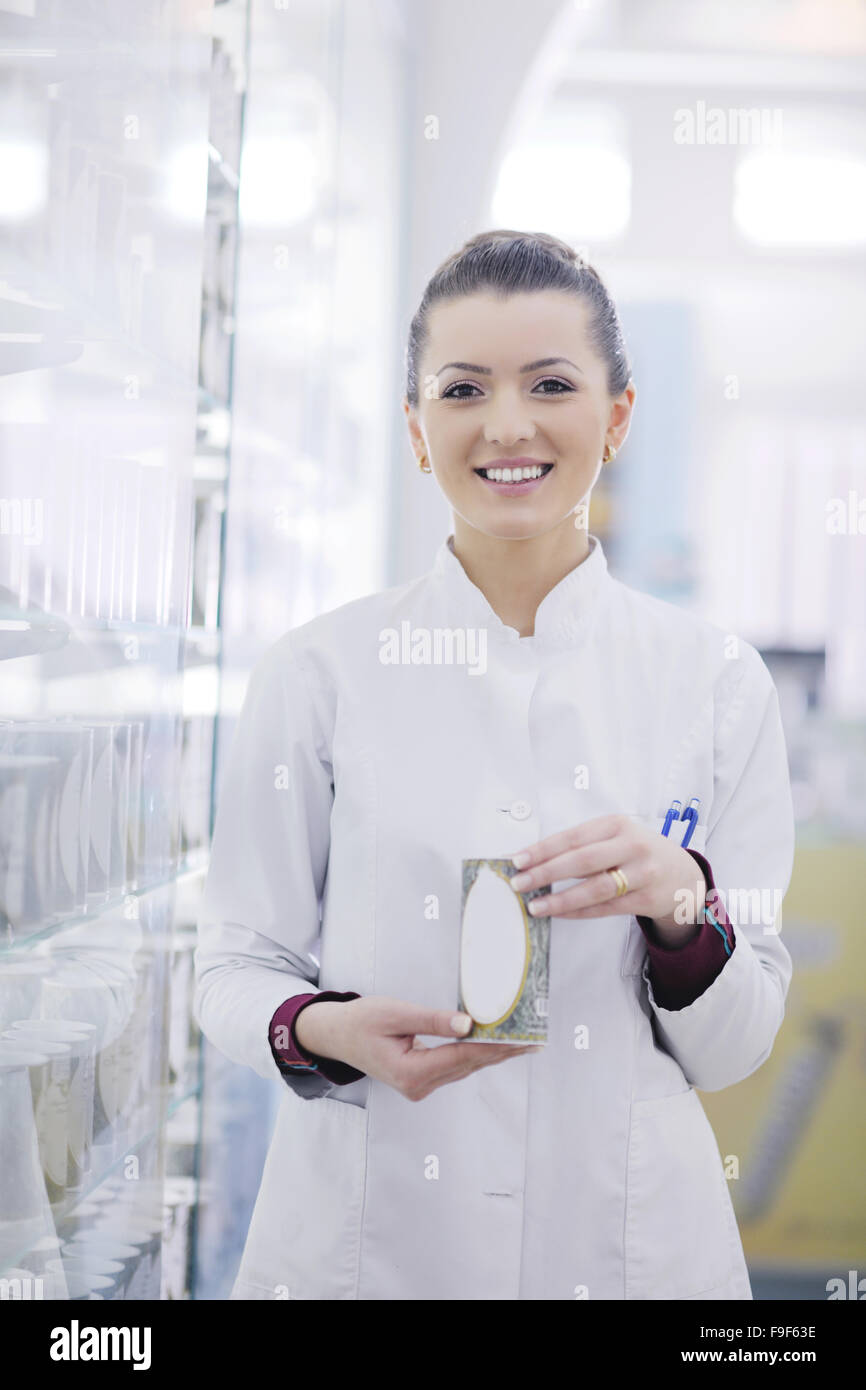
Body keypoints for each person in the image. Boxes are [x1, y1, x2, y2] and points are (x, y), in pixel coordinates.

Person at [193, 229, 794, 1301]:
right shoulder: (316, 673)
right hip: (369, 1237)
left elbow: (736, 1043)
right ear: (418, 431)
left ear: (615, 417)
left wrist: (678, 907)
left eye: (550, 384)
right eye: (462, 388)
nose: (506, 424)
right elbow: (233, 970)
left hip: (621, 1247)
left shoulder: (712, 680)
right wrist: (328, 1029)